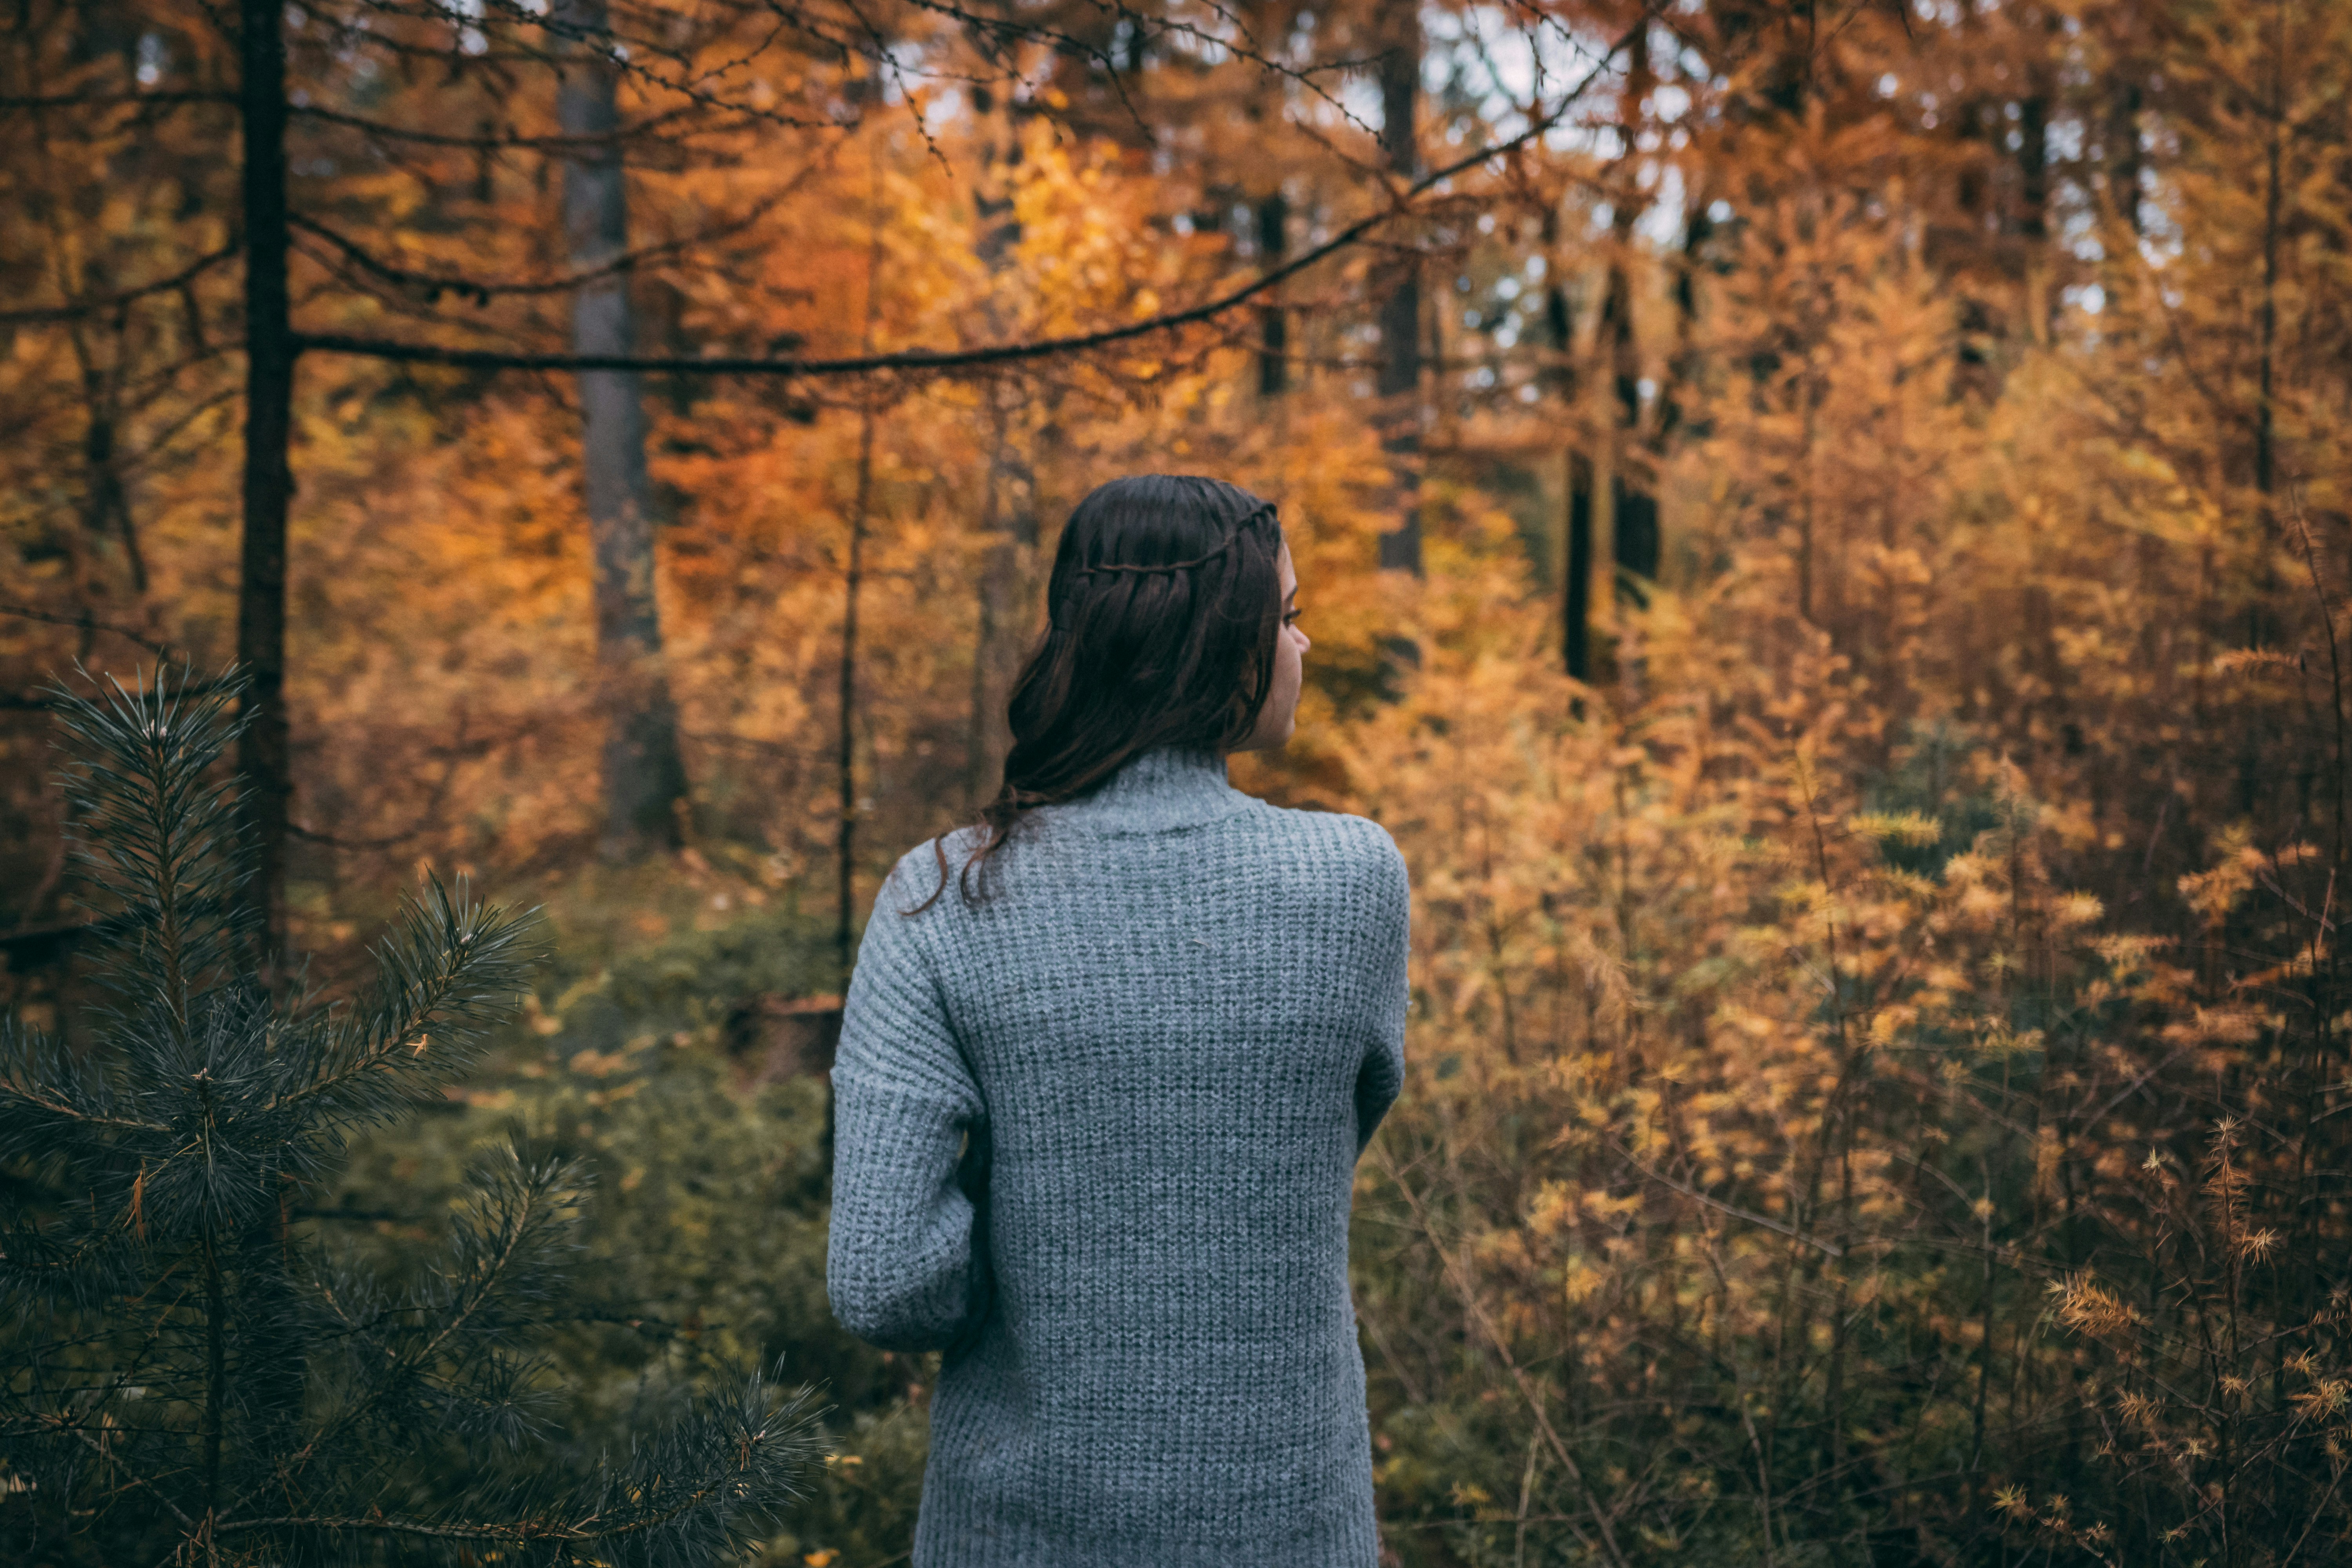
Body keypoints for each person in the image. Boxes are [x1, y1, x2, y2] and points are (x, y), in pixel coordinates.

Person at [825, 473, 1411, 1567]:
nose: (1306, 644)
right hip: (1291, 1527)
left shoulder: (943, 895)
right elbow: (1324, 1145)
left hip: (1022, 1534)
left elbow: (884, 1280)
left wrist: (1055, 1258)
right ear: (1218, 638)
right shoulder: (1354, 882)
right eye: (1285, 616)